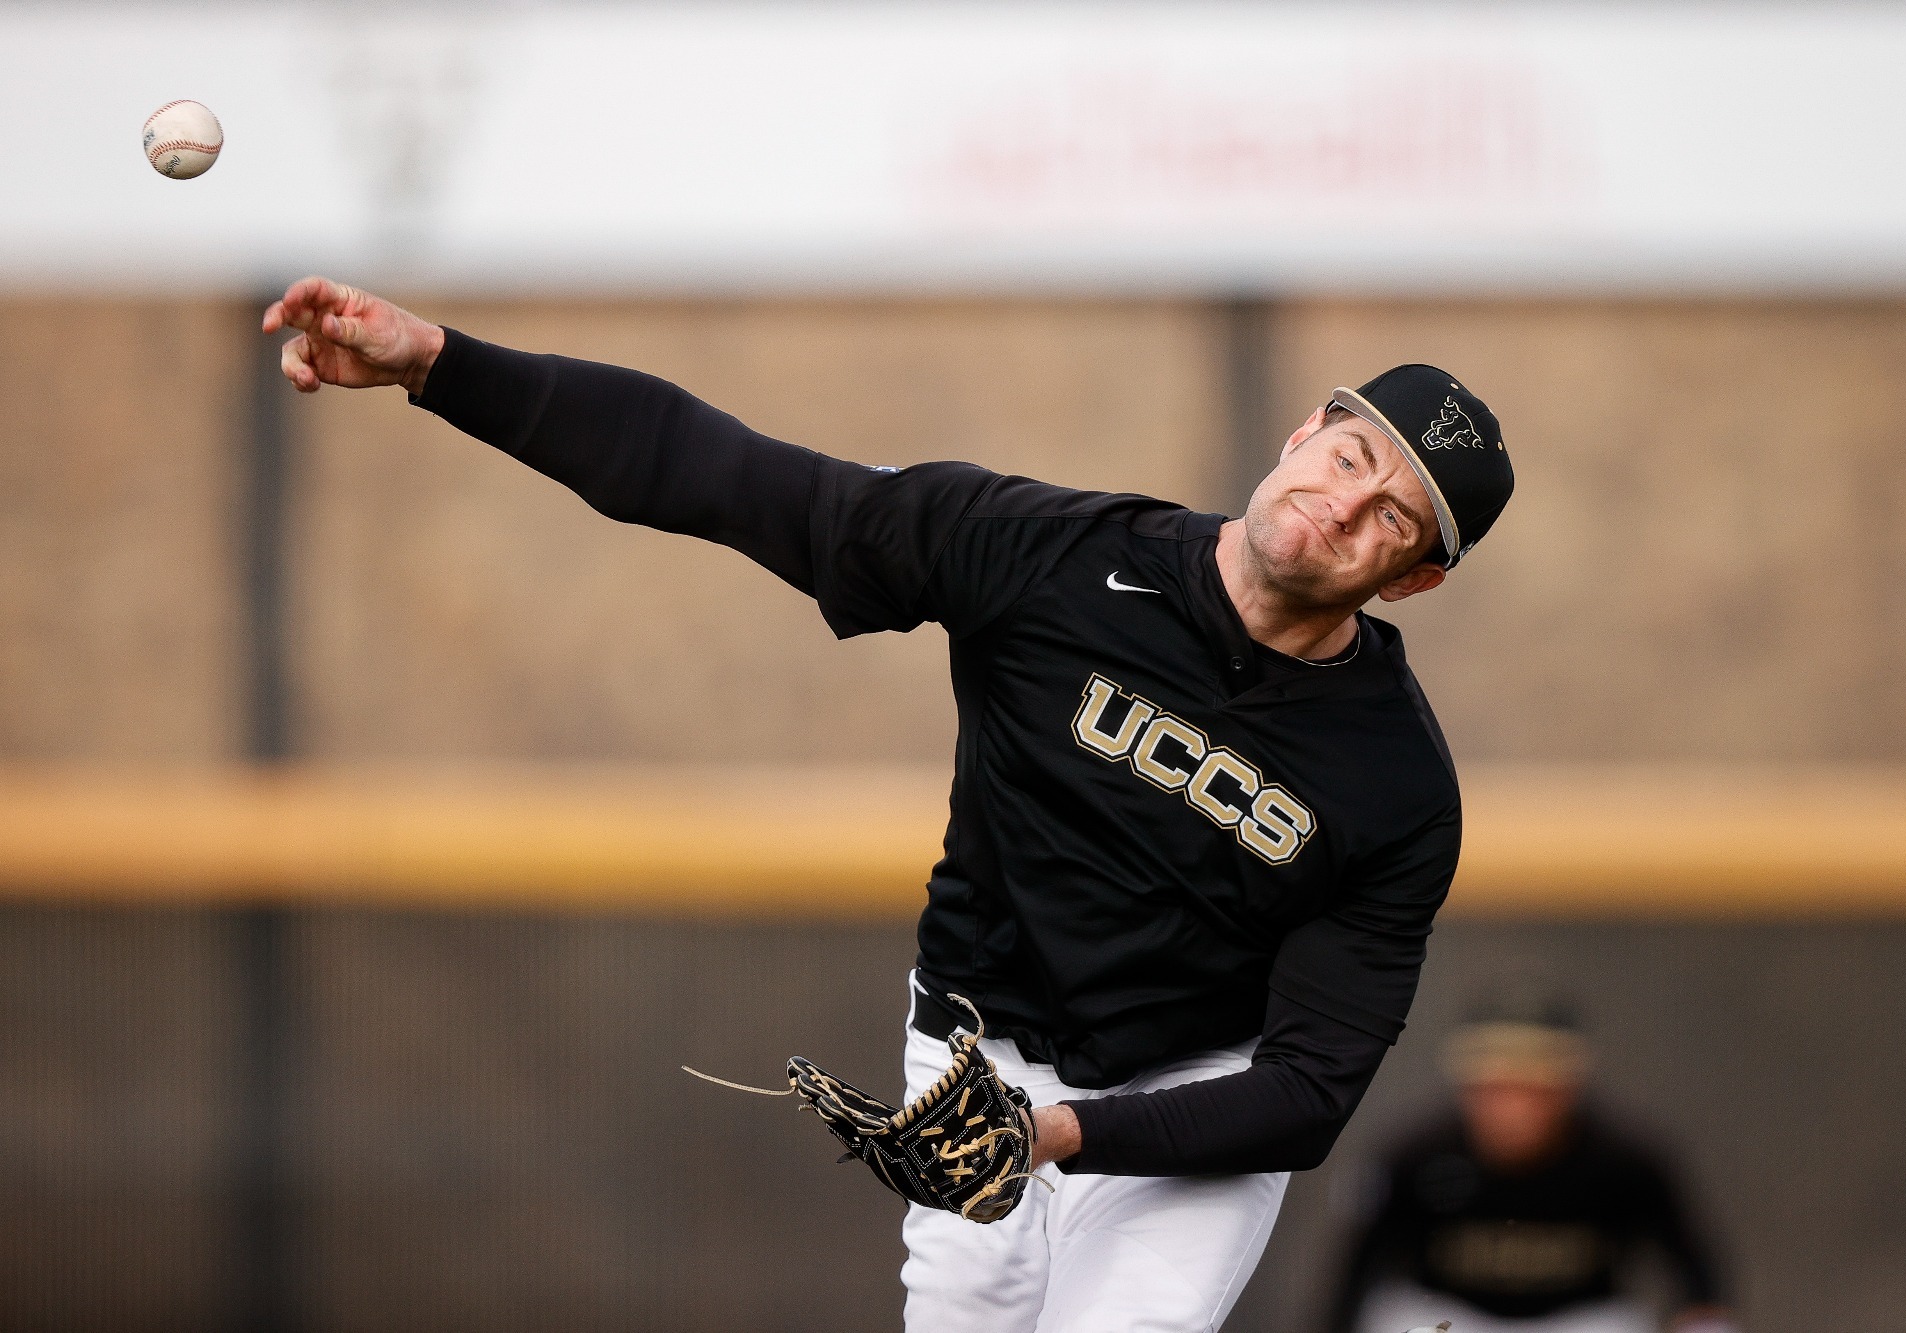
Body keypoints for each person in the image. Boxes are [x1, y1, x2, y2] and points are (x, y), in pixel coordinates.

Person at [262, 276, 1515, 1333]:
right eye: (1351, 455)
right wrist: (436, 362)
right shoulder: (1044, 554)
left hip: (1187, 1098)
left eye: (1389, 513)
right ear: (1305, 431)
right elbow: (720, 473)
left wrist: (1060, 1132)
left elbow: (1304, 1092)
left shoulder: (1393, 784)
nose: (1341, 503)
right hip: (978, 1043)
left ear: (1412, 577)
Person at [1328, 996, 1737, 1333]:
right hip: (1449, 1319)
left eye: (1531, 1088)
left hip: (1581, 1321)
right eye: (1496, 1088)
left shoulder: (1624, 1161)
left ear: (1567, 1089)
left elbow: (1693, 1266)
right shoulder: (1417, 1156)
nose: (1512, 1109)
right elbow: (1357, 1270)